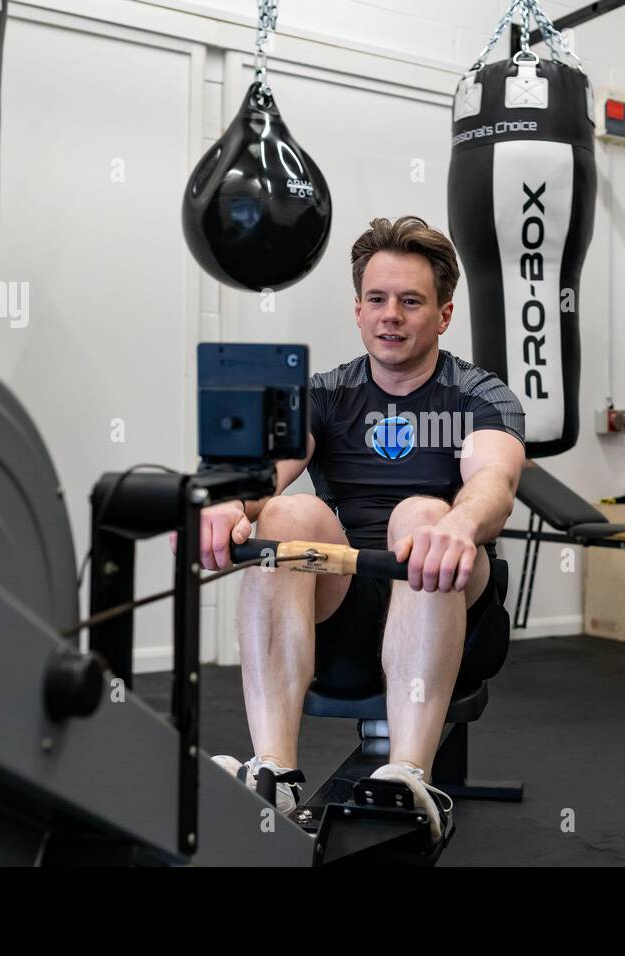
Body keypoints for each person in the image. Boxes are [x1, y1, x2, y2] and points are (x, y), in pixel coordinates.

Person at [201, 215, 525, 845]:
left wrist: (458, 522)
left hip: (451, 599)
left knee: (422, 516)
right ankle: (275, 768)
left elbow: (494, 480)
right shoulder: (323, 394)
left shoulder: (478, 393)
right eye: (377, 299)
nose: (391, 315)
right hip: (345, 612)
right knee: (285, 515)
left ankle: (409, 774)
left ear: (444, 314)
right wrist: (226, 505)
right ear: (357, 310)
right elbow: (260, 473)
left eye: (411, 301)